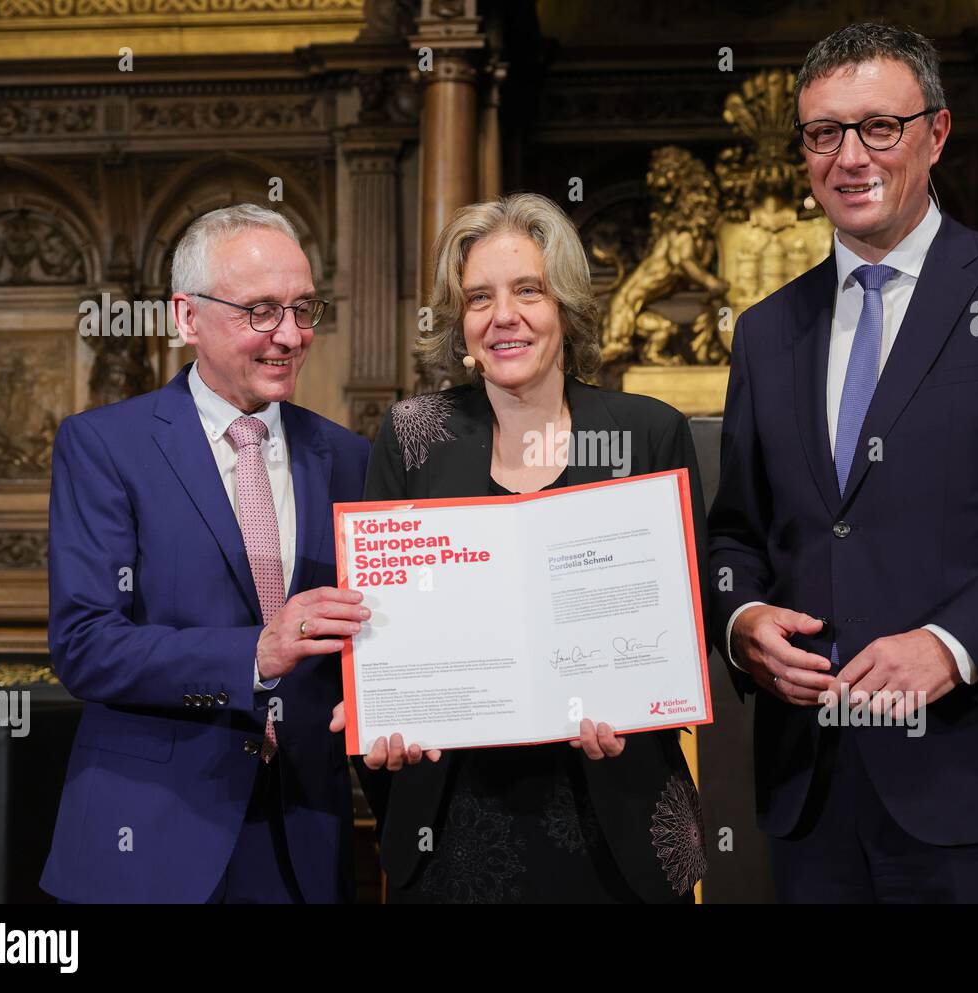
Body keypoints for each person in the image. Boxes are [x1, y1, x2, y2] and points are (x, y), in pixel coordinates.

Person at [708, 23, 978, 903]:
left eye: (880, 126)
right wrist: (744, 621)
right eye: (824, 132)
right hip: (811, 795)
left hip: (977, 789)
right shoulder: (766, 330)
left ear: (936, 133)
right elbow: (736, 535)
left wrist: (955, 645)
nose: (849, 156)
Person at [338, 192, 709, 903]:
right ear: (461, 324)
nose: (503, 315)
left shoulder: (647, 433)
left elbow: (688, 624)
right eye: (479, 297)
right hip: (452, 825)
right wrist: (382, 712)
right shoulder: (414, 435)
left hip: (615, 822)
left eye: (527, 290)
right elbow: (378, 624)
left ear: (564, 304)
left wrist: (640, 700)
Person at [41, 204, 371, 903]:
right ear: (187, 318)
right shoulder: (105, 446)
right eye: (261, 311)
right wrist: (253, 654)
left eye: (303, 308)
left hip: (305, 837)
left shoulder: (349, 457)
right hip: (153, 834)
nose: (289, 334)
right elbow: (86, 644)